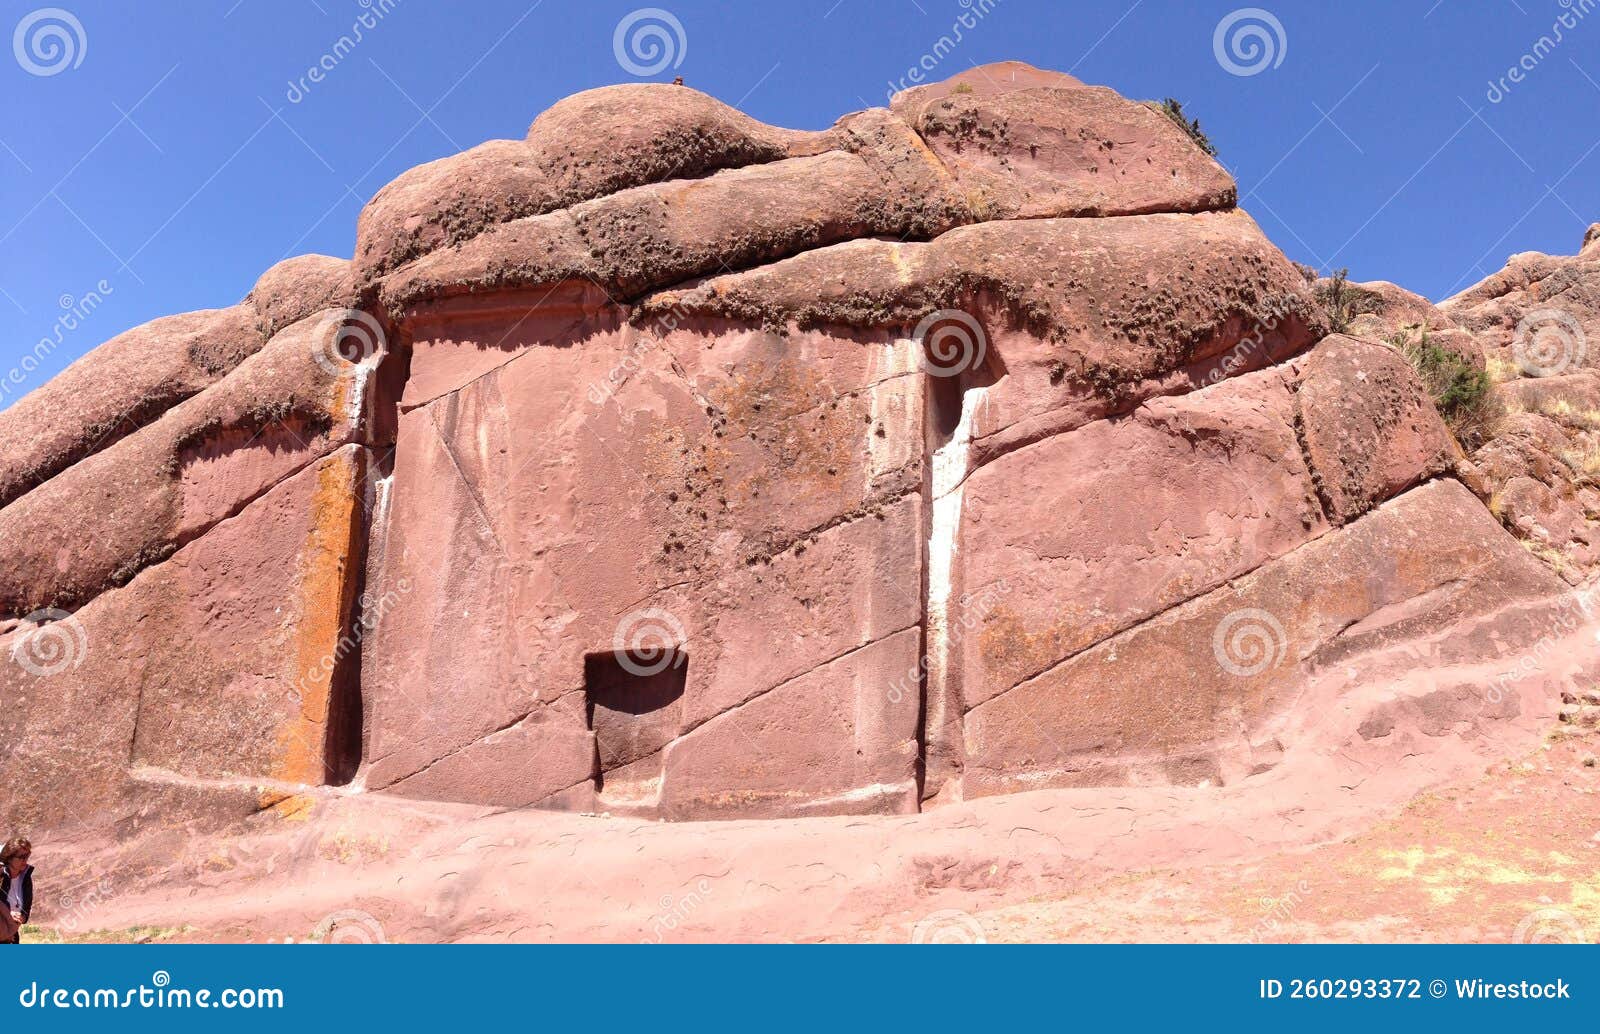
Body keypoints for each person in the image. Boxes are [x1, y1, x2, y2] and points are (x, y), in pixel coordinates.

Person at [0, 838, 32, 944]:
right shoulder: (1, 876)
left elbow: (26, 907)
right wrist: (8, 914)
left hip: (12, 935)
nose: (25, 860)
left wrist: (23, 917)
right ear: (9, 858)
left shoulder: (25, 878)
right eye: (21, 857)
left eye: (27, 856)